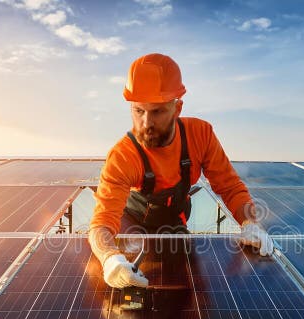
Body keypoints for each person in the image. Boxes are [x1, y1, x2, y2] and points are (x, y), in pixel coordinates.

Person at [88, 53, 273, 288]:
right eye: (138, 111)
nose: (146, 124)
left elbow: (230, 186)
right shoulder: (123, 156)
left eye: (157, 112)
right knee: (125, 275)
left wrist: (250, 224)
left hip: (173, 225)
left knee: (183, 282)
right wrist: (109, 258)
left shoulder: (201, 135)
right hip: (130, 225)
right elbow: (101, 224)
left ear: (177, 108)